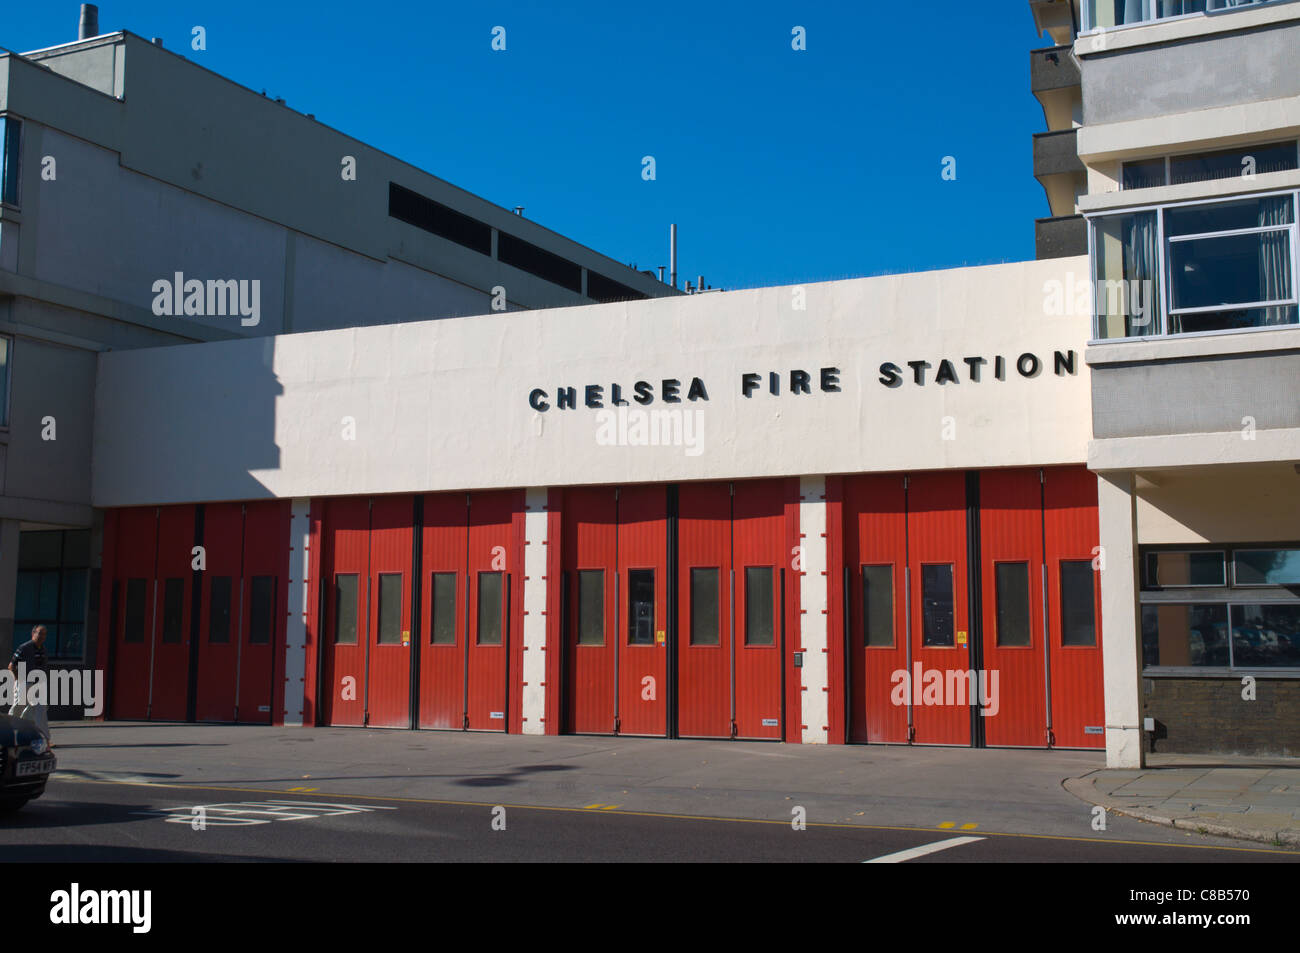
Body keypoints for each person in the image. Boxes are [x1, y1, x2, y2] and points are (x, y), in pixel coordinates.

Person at [7, 624, 50, 742]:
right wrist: (18, 679)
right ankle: (8, 731)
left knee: (41, 709)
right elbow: (11, 666)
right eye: (40, 633)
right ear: (33, 634)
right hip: (24, 682)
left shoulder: (43, 650)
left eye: (44, 634)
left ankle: (45, 738)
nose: (42, 636)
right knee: (18, 707)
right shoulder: (24, 647)